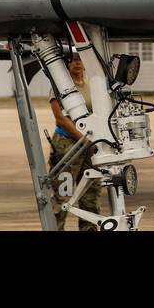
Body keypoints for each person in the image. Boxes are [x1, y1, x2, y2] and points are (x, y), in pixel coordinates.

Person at [47, 57, 102, 230]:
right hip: (67, 145)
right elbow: (61, 119)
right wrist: (84, 139)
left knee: (91, 197)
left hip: (91, 146)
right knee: (62, 196)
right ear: (66, 66)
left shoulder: (91, 86)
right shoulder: (61, 88)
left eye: (79, 59)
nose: (77, 63)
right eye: (71, 61)